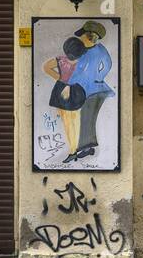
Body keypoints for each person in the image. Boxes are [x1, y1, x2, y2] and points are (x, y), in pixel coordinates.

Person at [66, 20, 114, 162]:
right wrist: (68, 82)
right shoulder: (81, 50)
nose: (80, 38)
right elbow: (76, 69)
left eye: (83, 36)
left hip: (95, 90)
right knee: (79, 117)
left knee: (87, 117)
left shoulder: (100, 50)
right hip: (81, 89)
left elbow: (107, 65)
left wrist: (98, 77)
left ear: (91, 37)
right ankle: (83, 147)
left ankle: (87, 147)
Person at [42, 36, 87, 158]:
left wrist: (62, 79)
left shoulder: (60, 60)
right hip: (76, 91)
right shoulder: (83, 62)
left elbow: (46, 67)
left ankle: (73, 150)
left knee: (68, 122)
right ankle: (74, 149)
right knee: (75, 121)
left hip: (62, 90)